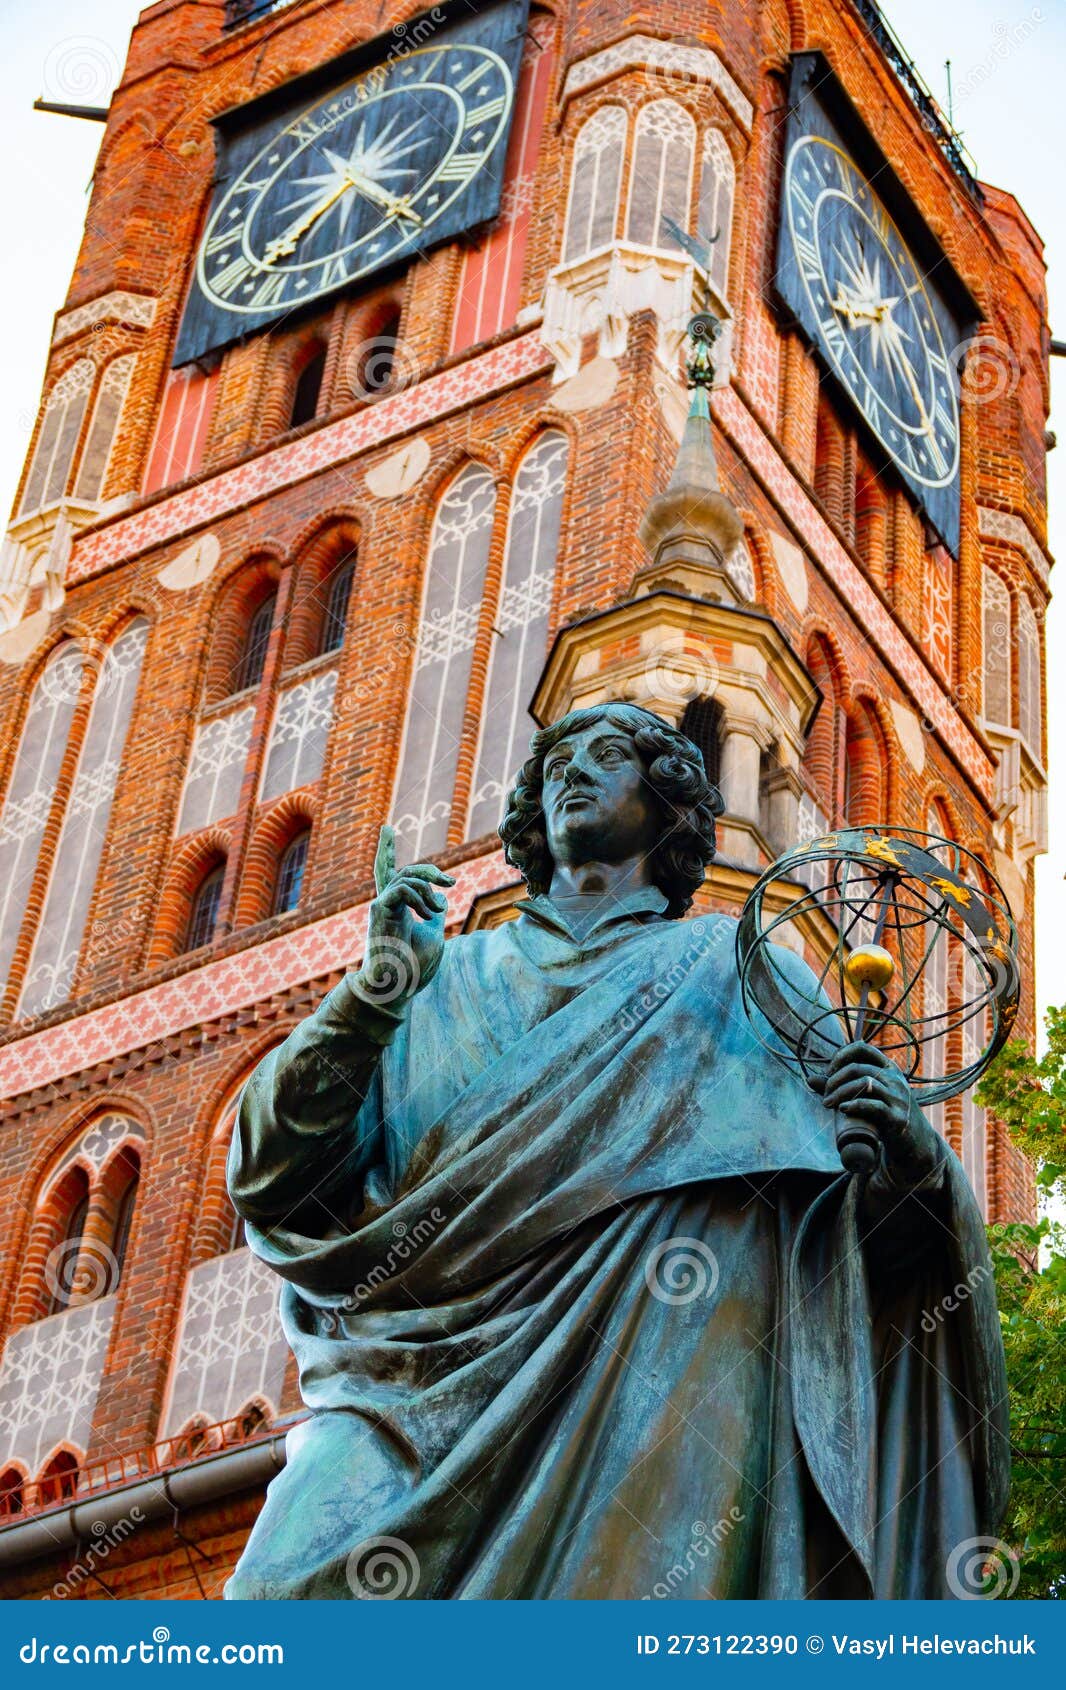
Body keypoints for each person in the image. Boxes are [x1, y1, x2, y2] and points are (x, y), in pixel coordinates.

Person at [225, 702, 1007, 1599]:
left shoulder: (736, 969)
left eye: (606, 755)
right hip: (406, 1387)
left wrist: (908, 1164)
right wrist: (372, 994)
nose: (571, 771)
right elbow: (272, 1178)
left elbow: (870, 1234)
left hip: (673, 1365)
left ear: (667, 803)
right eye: (556, 758)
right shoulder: (437, 980)